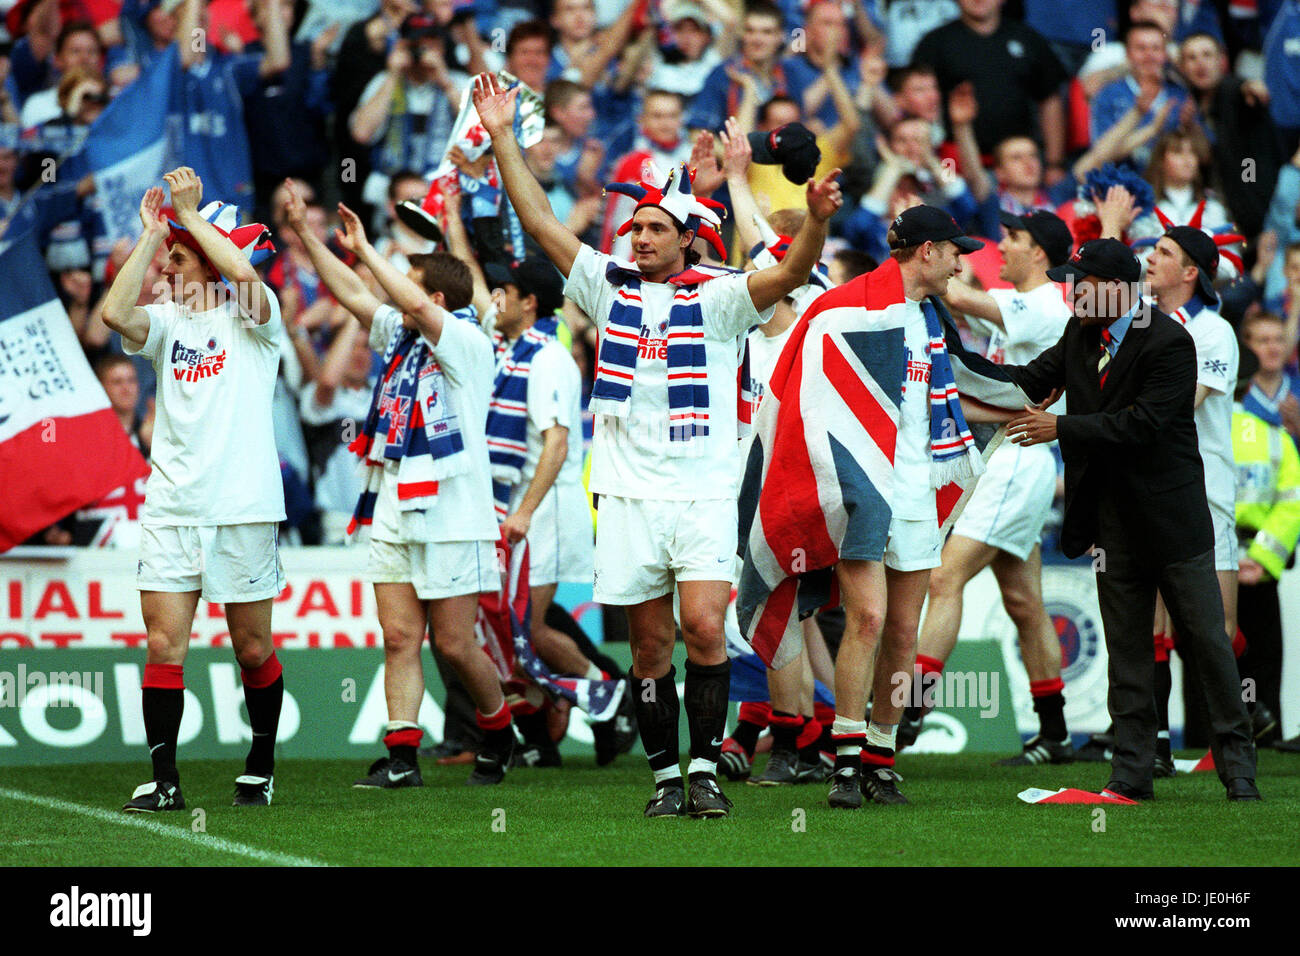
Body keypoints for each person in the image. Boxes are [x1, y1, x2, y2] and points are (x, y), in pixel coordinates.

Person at [474, 70, 842, 818]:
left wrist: (815, 221)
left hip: (705, 490)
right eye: (633, 227)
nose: (636, 238)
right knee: (648, 653)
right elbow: (541, 220)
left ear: (685, 239)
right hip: (628, 493)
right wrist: (504, 134)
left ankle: (703, 770)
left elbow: (797, 272)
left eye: (652, 229)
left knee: (704, 628)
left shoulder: (721, 296)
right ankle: (665, 777)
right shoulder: (607, 285)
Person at [736, 204, 1034, 810]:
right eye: (954, 249)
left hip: (918, 491)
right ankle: (846, 760)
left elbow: (963, 389)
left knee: (902, 631)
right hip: (861, 487)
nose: (961, 261)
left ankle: (879, 755)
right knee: (867, 621)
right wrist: (839, 477)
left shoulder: (932, 318)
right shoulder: (840, 309)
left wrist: (1036, 394)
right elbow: (804, 401)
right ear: (926, 251)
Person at [1000, 237, 1260, 801]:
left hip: (1173, 521)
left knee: (1208, 643)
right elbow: (1029, 378)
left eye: (1082, 282)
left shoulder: (1169, 340)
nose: (1071, 291)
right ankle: (1132, 772)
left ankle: (1238, 766)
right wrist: (949, 361)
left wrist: (1061, 428)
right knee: (1127, 650)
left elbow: (1144, 425)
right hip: (1113, 525)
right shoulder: (1080, 332)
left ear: (1117, 288)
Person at [281, 181, 518, 787]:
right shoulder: (404, 341)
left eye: (411, 278)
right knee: (398, 637)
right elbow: (355, 294)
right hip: (393, 501)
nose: (398, 287)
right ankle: (402, 758)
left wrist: (370, 250)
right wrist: (312, 239)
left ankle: (497, 729)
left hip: (452, 510)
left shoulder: (467, 341)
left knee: (456, 645)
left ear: (435, 294)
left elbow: (404, 303)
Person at [101, 167, 286, 811]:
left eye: (180, 256)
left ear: (211, 257)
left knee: (251, 646)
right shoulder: (168, 324)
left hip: (241, 507)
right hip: (174, 505)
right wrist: (154, 235)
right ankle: (165, 780)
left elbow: (246, 280)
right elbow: (113, 312)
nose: (168, 268)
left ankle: (261, 761)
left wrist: (194, 220)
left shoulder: (259, 321)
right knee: (162, 642)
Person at [909, 210, 1075, 764]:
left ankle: (909, 712)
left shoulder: (1045, 302)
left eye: (1014, 238)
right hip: (1017, 458)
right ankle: (1054, 734)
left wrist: (915, 254)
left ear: (1040, 254)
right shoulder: (1022, 308)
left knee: (942, 577)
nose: (1001, 246)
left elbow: (957, 298)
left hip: (1016, 457)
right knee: (1025, 601)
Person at [1143, 224, 1240, 774]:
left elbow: (1183, 401)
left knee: (1214, 626)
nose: (1150, 259)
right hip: (1158, 488)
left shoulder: (1215, 332)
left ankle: (1235, 738)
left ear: (1190, 273)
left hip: (1207, 489)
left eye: (1163, 253)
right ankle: (1154, 743)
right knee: (1155, 620)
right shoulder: (1148, 325)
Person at [1231, 347, 1300, 751]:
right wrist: (1262, 557)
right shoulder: (1275, 440)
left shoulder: (1188, 437)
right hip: (1259, 563)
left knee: (1212, 651)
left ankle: (1215, 737)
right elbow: (1291, 502)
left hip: (1209, 564)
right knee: (1264, 657)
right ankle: (1265, 728)